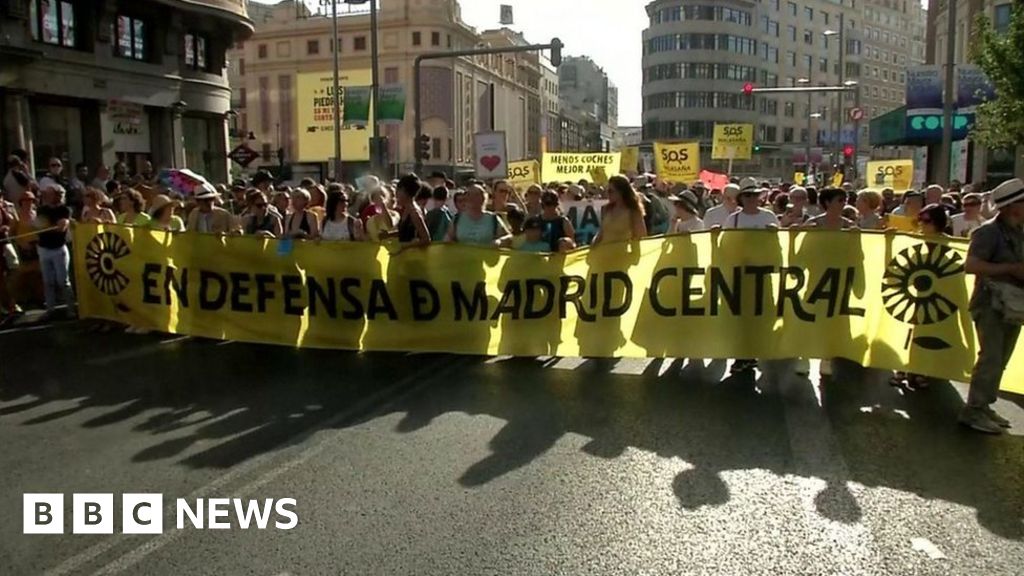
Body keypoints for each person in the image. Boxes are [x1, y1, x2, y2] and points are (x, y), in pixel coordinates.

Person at [960, 178, 1024, 434]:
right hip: (990, 304)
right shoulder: (988, 232)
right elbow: (971, 265)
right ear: (1012, 206)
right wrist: (1011, 269)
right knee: (991, 357)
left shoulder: (1019, 231)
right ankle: (973, 410)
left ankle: (984, 404)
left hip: (1013, 304)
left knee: (1001, 359)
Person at [34, 184, 73, 317]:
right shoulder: (41, 210)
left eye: (50, 193)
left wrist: (54, 226)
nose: (47, 196)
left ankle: (70, 309)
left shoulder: (64, 210)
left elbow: (61, 228)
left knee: (63, 281)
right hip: (44, 249)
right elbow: (39, 225)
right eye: (46, 193)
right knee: (47, 282)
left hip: (58, 249)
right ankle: (50, 309)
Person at [447, 184, 512, 246]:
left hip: (486, 253)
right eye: (469, 194)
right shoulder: (457, 219)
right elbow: (448, 238)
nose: (472, 198)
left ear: (483, 198)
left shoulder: (493, 219)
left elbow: (509, 237)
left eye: (476, 195)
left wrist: (500, 241)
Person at [593, 176, 647, 245]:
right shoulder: (606, 209)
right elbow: (601, 232)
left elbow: (640, 236)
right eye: (607, 191)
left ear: (621, 192)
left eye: (610, 191)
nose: (607, 194)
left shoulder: (633, 211)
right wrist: (594, 242)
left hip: (623, 251)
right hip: (604, 249)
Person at [389, 174, 431, 248]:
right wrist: (388, 235)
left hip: (412, 254)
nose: (396, 194)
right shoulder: (407, 209)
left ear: (404, 191)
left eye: (398, 190)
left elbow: (426, 239)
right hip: (404, 254)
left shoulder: (414, 212)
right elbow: (406, 233)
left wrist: (405, 246)